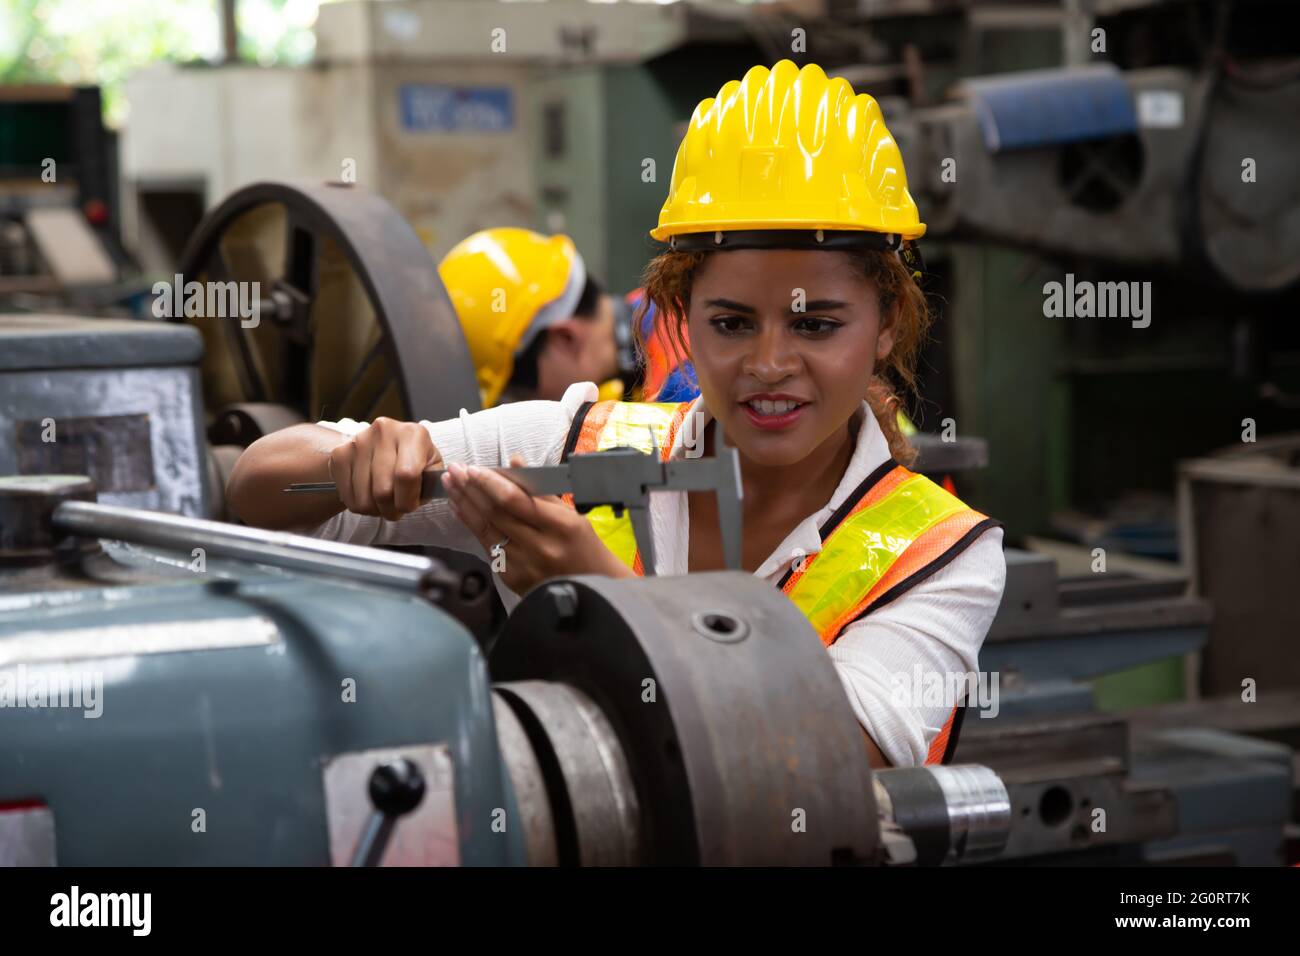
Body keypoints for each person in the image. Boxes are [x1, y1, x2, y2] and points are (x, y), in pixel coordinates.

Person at [226, 60, 1006, 769]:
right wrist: (349, 464)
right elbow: (258, 496)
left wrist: (600, 595)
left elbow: (837, 761)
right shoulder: (570, 444)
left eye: (816, 324)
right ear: (680, 314)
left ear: (889, 326)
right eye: (732, 323)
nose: (770, 363)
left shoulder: (940, 556)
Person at [437, 227, 636, 406]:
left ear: (566, 338)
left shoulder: (664, 394)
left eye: (521, 391)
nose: (523, 406)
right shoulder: (654, 318)